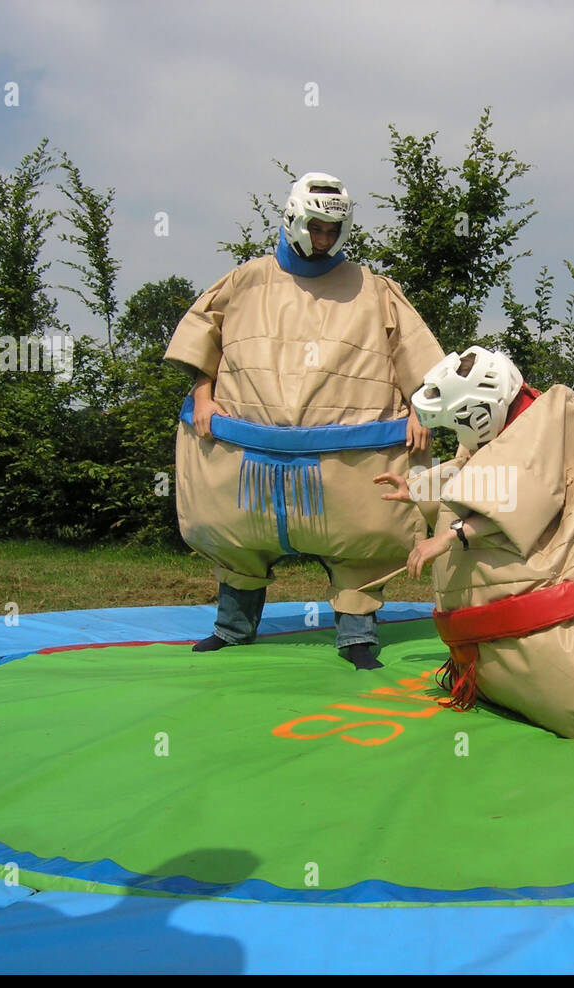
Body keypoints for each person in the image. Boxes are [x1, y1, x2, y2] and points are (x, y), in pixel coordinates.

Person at [165, 172, 443, 668]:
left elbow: (415, 355)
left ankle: (357, 637)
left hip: (350, 458)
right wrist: (203, 398)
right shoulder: (246, 280)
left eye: (332, 230)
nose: (323, 238)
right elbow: (202, 344)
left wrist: (418, 408)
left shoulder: (373, 289)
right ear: (294, 218)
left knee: (360, 543)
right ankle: (232, 628)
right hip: (246, 451)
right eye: (316, 227)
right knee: (236, 540)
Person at [375, 346, 574, 737]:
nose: (459, 433)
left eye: (459, 421)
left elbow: (521, 496)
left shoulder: (547, 424)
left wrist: (449, 537)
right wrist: (416, 486)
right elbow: (473, 472)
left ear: (479, 409)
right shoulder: (510, 427)